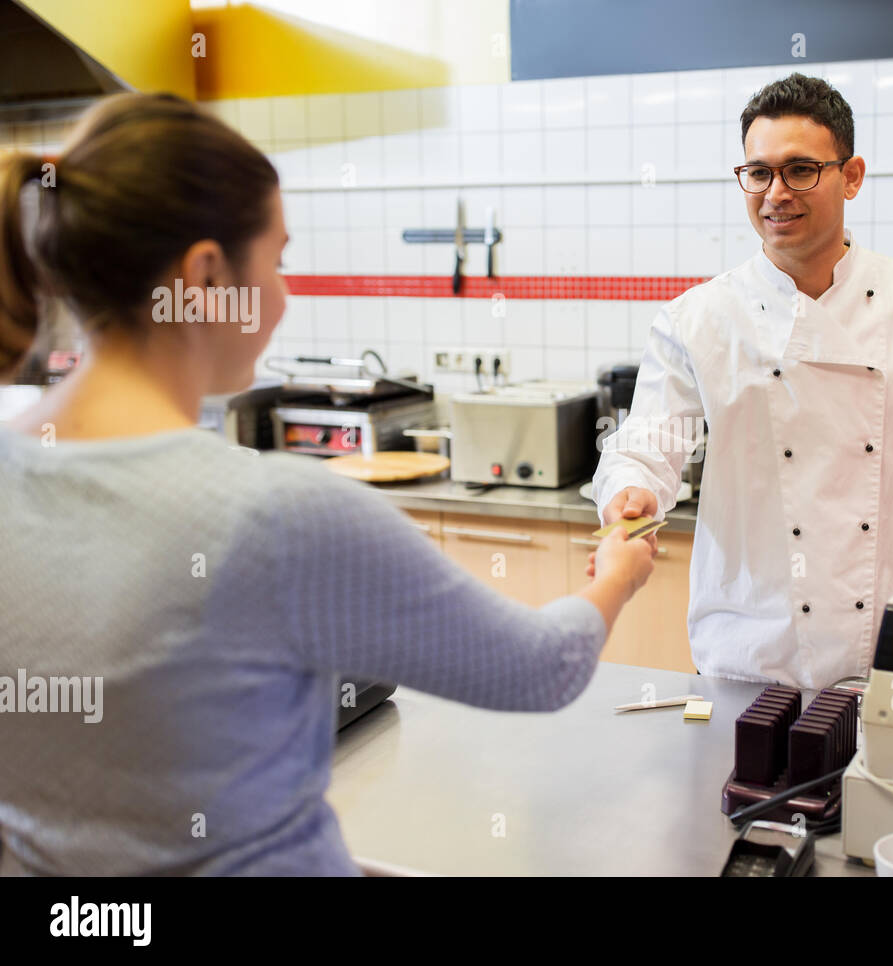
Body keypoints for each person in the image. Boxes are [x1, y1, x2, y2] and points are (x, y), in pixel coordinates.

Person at [0, 92, 654, 875]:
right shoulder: (277, 516)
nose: (285, 292)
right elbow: (540, 667)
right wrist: (616, 576)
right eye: (278, 260)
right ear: (206, 275)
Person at [593, 73, 893, 688]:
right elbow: (647, 443)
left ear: (851, 176)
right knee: (736, 786)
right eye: (758, 172)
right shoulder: (699, 317)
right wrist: (631, 489)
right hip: (750, 646)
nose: (776, 193)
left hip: (888, 647)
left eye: (801, 169)